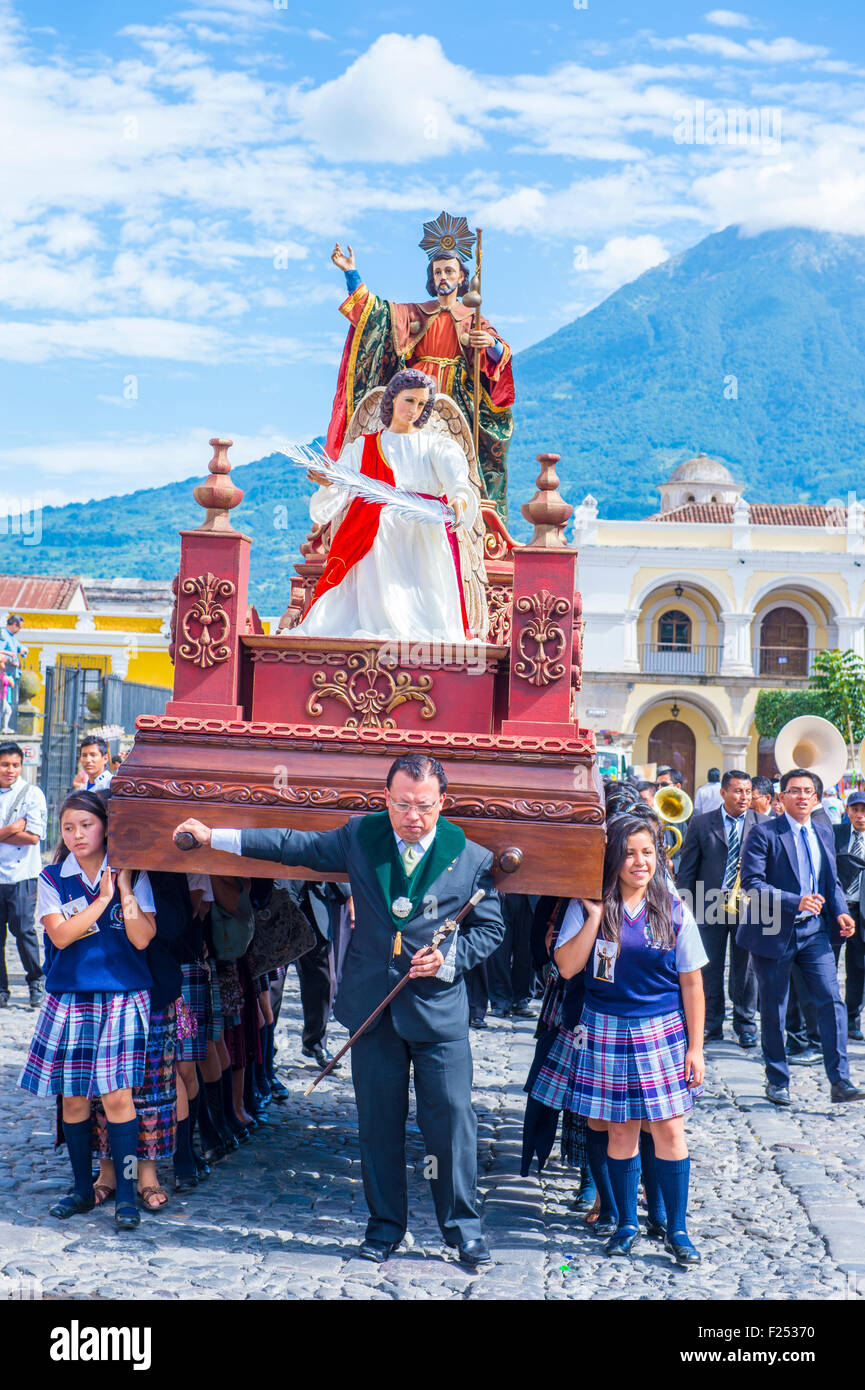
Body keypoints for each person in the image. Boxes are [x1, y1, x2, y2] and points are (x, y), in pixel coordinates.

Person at [173, 752, 505, 1269]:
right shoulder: (359, 836)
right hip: (372, 1008)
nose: (411, 816)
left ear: (443, 801)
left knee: (451, 1124)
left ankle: (462, 1229)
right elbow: (290, 846)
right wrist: (215, 835)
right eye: (400, 804)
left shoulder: (471, 857)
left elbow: (490, 929)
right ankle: (385, 1226)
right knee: (378, 1121)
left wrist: (448, 959)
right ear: (386, 798)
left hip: (438, 1013)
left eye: (422, 806)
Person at [530, 813, 707, 1265]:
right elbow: (567, 967)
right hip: (604, 1026)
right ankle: (625, 1221)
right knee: (622, 1129)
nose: (639, 861)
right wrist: (592, 916)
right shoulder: (589, 905)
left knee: (669, 1128)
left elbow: (692, 984)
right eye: (629, 853)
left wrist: (696, 1047)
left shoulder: (674, 907)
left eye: (647, 852)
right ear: (614, 858)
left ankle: (678, 1229)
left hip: (662, 1029)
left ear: (658, 857)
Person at [18, 790, 156, 1230]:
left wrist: (126, 886)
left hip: (123, 993)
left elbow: (142, 938)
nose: (77, 835)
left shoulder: (133, 874)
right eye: (68, 827)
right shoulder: (52, 878)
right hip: (70, 996)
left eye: (86, 825)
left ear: (106, 827)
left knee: (118, 1097)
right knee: (74, 1097)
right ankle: (81, 1188)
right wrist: (101, 899)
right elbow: (59, 937)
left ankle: (128, 1194)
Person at [327, 212, 514, 514]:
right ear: (432, 278)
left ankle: (461, 507)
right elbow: (376, 314)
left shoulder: (473, 319)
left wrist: (489, 345)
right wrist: (352, 274)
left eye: (449, 271)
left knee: (454, 459)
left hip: (455, 399)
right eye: (438, 271)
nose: (443, 277)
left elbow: (499, 355)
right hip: (413, 392)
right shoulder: (414, 313)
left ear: (462, 277)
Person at [290, 369, 479, 642]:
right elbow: (343, 481)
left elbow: (456, 480)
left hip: (421, 532)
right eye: (409, 400)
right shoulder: (364, 446)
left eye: (421, 404)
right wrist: (330, 481)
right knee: (379, 599)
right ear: (392, 399)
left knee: (426, 601)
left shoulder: (435, 445)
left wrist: (459, 499)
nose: (414, 409)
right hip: (376, 532)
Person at [739, 768, 865, 1106]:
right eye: (794, 790)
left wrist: (841, 911)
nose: (802, 796)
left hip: (814, 933)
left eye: (808, 791)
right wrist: (796, 902)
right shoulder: (763, 834)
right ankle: (777, 1080)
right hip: (772, 933)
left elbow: (831, 882)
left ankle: (840, 1081)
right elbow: (752, 884)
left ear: (817, 797)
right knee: (775, 1010)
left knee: (831, 1001)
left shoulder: (823, 832)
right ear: (781, 797)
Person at [676, 769, 763, 1048]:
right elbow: (688, 869)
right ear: (723, 792)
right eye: (738, 791)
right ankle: (711, 1024)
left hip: (749, 907)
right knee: (708, 967)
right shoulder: (702, 824)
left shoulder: (763, 824)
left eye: (748, 792)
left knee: (746, 969)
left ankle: (745, 1024)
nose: (744, 797)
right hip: (708, 904)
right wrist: (684, 907)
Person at [0, 741, 47, 1009]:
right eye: (5, 764)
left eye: (15, 765)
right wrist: (11, 829)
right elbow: (20, 831)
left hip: (22, 875)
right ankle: (1, 988)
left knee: (24, 929)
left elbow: (33, 838)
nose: (10, 770)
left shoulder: (32, 793)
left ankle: (35, 981)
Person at [832, 790, 865, 1042]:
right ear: (847, 810)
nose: (860, 816)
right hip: (837, 909)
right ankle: (826, 1018)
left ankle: (852, 1019)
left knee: (858, 968)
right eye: (856, 810)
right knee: (826, 965)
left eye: (864, 811)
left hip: (862, 912)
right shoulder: (835, 833)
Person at [0, 615, 26, 732]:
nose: (20, 630)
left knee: (8, 705)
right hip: (4, 675)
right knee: (4, 705)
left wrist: (23, 650)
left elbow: (19, 648)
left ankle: (5, 727)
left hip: (10, 676)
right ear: (15, 624)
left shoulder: (11, 637)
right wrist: (11, 660)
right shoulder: (3, 635)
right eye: (19, 627)